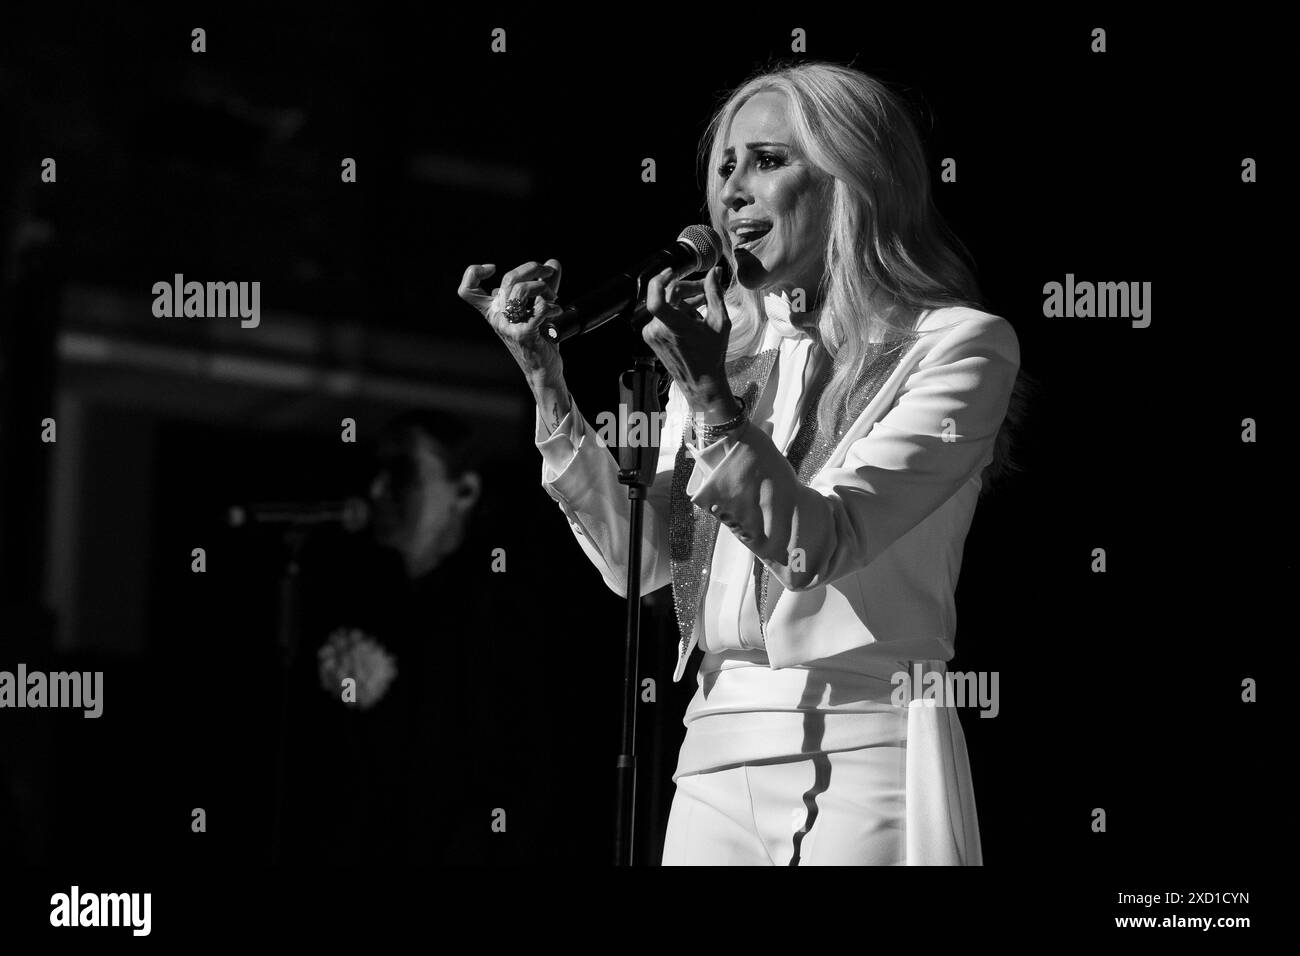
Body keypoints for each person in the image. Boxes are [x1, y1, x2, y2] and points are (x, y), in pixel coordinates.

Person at [457, 60, 1023, 865]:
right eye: (724, 167)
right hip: (715, 740)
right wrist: (548, 385)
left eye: (767, 161)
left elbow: (820, 545)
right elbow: (642, 560)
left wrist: (712, 396)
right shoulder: (726, 355)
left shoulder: (957, 347)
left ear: (853, 178)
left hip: (868, 737)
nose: (732, 191)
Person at [278, 409, 526, 866]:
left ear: (464, 491)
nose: (377, 490)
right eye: (379, 470)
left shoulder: (504, 611)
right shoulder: (350, 591)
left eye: (403, 472)